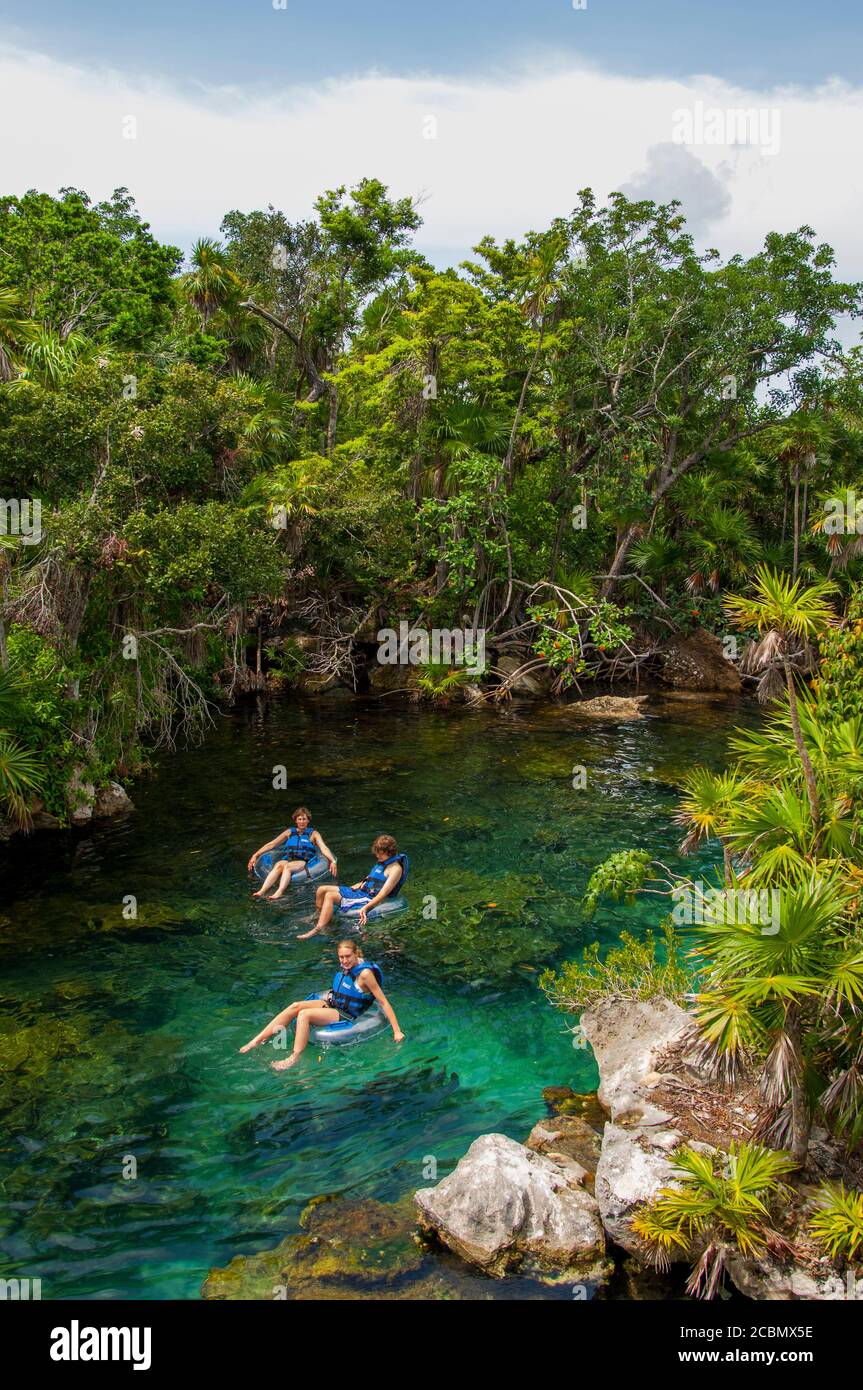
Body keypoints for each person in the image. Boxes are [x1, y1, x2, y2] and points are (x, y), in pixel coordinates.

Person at [239, 938, 404, 1070]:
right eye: (341, 957)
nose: (344, 961)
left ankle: (294, 1058)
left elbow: (384, 1002)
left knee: (304, 1015)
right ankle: (257, 1040)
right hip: (335, 1004)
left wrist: (397, 1032)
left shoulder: (365, 974)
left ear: (355, 954)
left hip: (348, 1014)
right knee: (295, 1006)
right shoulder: (348, 966)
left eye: (348, 957)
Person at [297, 834, 407, 939]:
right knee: (321, 889)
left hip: (368, 897)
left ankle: (319, 928)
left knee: (330, 896)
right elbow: (370, 878)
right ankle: (318, 916)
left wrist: (367, 907)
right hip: (361, 891)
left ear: (388, 852)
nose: (377, 855)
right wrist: (354, 886)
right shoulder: (382, 862)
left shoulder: (395, 869)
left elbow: (383, 893)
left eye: (379, 853)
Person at [248, 807, 337, 900]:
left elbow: (323, 848)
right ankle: (262, 891)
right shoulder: (290, 832)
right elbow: (272, 844)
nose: (302, 822)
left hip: (302, 860)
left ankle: (279, 892)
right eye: (299, 819)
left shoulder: (313, 834)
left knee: (288, 867)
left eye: (304, 819)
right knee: (278, 865)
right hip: (288, 858)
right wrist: (255, 855)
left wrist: (332, 861)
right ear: (296, 821)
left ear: (308, 821)